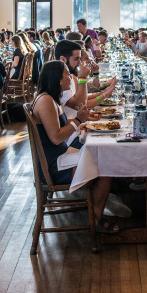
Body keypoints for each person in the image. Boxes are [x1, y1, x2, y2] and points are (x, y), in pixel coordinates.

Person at [30, 60, 118, 233]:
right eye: (66, 75)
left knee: (102, 156)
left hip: (60, 157)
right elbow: (56, 137)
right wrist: (78, 120)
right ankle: (95, 216)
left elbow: (59, 125)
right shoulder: (46, 101)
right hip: (53, 166)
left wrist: (81, 121)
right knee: (106, 167)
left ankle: (93, 208)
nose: (70, 79)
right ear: (57, 79)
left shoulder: (50, 98)